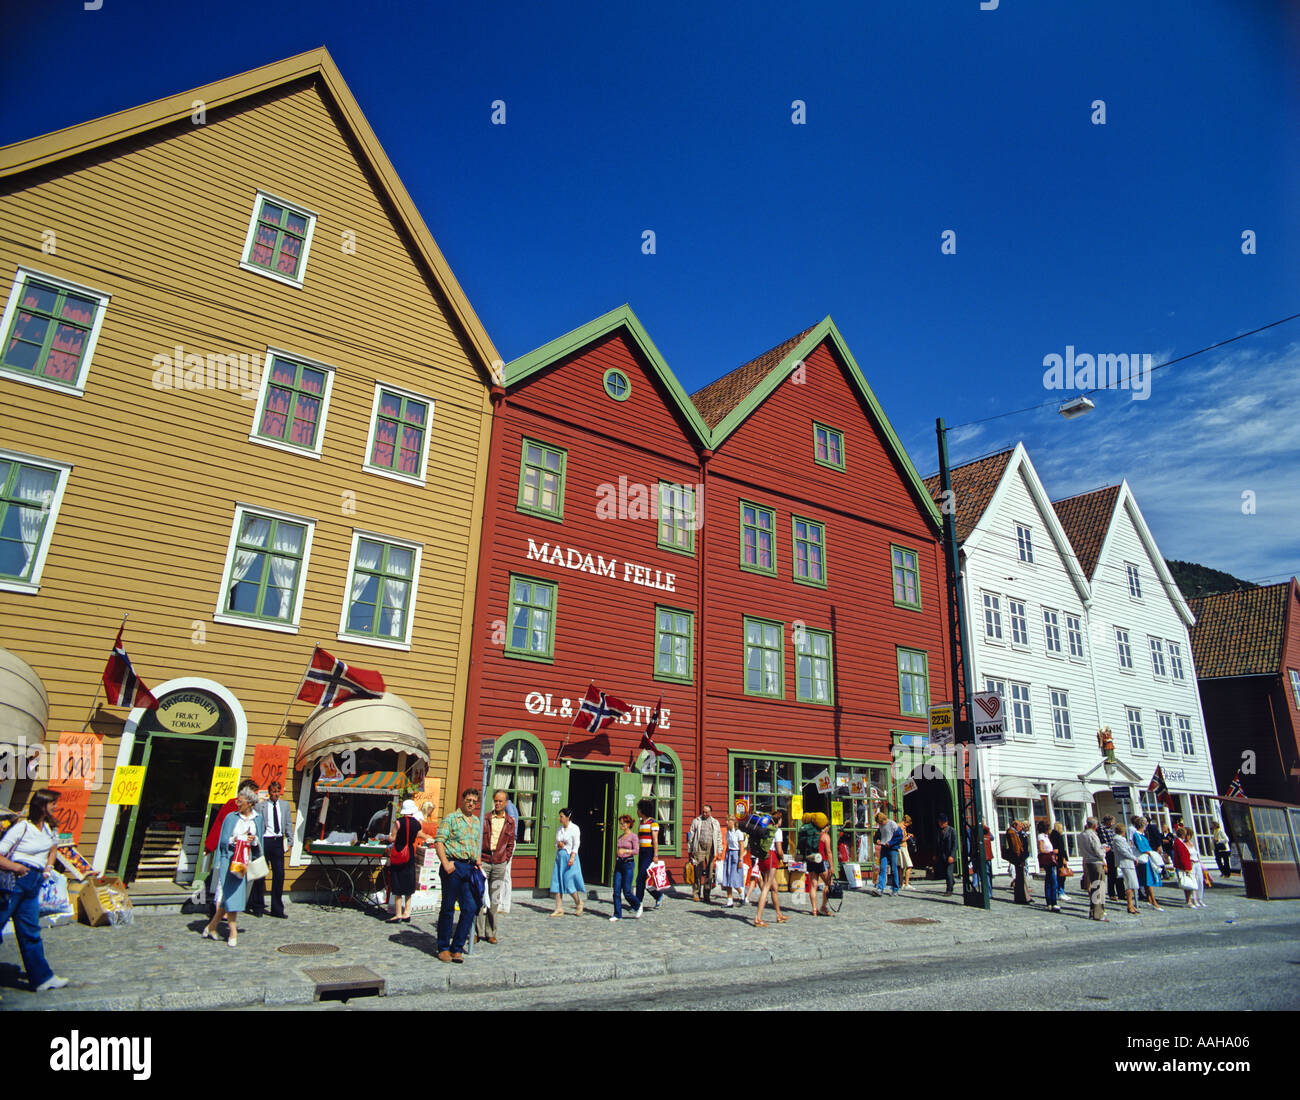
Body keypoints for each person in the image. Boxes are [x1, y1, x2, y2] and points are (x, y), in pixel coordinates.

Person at [0, 789, 69, 990]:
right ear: (42, 805)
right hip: (14, 882)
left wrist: (48, 867)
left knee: (30, 931)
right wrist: (18, 868)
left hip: (34, 882)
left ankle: (42, 978)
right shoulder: (22, 827)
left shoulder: (49, 828)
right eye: (53, 803)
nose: (56, 807)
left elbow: (53, 850)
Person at [202, 786, 265, 946]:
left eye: (240, 801)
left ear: (249, 803)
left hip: (245, 860)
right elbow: (223, 840)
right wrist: (235, 839)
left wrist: (254, 840)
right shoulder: (231, 818)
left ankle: (211, 927)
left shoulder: (257, 819)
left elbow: (259, 842)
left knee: (231, 895)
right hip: (230, 860)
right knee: (232, 894)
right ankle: (233, 932)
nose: (237, 803)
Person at [433, 788, 483, 963]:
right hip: (453, 866)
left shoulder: (476, 821)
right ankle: (443, 947)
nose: (471, 803)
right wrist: (446, 863)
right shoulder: (451, 818)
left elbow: (475, 843)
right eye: (468, 800)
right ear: (462, 800)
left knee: (470, 907)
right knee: (447, 908)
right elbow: (439, 841)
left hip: (469, 869)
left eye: (474, 801)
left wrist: (477, 861)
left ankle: (457, 947)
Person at [476, 789, 516, 941]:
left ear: (506, 803)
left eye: (501, 801)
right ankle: (477, 931)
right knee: (479, 896)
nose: (498, 804)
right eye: (496, 801)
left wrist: (505, 859)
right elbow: (479, 839)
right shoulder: (486, 818)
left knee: (494, 899)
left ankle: (490, 932)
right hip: (485, 860)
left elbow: (510, 844)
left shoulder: (510, 822)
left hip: (499, 863)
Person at [249, 780, 292, 918]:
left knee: (279, 875)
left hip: (278, 841)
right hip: (265, 841)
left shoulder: (284, 805)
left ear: (280, 792)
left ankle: (277, 909)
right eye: (273, 792)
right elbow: (255, 824)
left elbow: (288, 823)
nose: (275, 794)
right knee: (261, 874)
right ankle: (258, 907)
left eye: (277, 791)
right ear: (269, 792)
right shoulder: (261, 806)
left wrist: (290, 840)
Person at [386, 799, 421, 924]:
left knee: (397, 881)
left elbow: (392, 838)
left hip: (400, 852)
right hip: (410, 852)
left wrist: (388, 836)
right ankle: (407, 912)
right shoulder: (417, 824)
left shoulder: (398, 822)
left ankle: (398, 914)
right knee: (408, 881)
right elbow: (418, 833)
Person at [753, 810, 788, 927]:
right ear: (779, 820)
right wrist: (785, 858)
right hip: (771, 857)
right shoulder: (777, 831)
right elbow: (779, 850)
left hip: (763, 857)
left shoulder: (766, 828)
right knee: (767, 887)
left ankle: (779, 914)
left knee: (774, 887)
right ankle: (758, 917)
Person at [549, 807, 586, 916]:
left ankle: (578, 903)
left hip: (570, 857)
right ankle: (559, 908)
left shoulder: (575, 828)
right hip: (560, 857)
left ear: (568, 817)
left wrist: (572, 857)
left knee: (569, 881)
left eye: (561, 816)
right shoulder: (560, 829)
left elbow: (576, 844)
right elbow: (556, 842)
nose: (560, 818)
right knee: (557, 881)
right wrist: (558, 845)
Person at [687, 804, 724, 904]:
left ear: (710, 812)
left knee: (709, 872)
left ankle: (707, 894)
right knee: (697, 871)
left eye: (706, 812)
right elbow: (691, 835)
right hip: (699, 846)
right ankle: (696, 893)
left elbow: (719, 837)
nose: (704, 814)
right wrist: (690, 850)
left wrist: (719, 851)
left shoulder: (715, 822)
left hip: (711, 847)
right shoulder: (696, 821)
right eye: (703, 812)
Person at [634, 798, 663, 916]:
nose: (637, 811)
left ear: (642, 810)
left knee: (640, 878)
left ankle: (638, 903)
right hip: (642, 852)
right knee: (644, 879)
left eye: (638, 809)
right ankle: (658, 895)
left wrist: (655, 855)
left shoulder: (653, 823)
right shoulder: (641, 823)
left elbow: (655, 840)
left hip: (649, 852)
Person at [1130, 816, 1164, 911]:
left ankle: (1150, 900)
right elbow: (1141, 848)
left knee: (1147, 881)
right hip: (1144, 860)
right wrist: (1150, 852)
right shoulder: (1137, 835)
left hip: (1147, 858)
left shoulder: (1142, 835)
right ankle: (1154, 901)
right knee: (1148, 881)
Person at [1078, 817, 1107, 921]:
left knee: (1094, 887)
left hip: (1087, 861)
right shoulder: (1092, 835)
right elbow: (1097, 850)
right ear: (1094, 825)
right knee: (1099, 888)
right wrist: (1104, 851)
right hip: (1096, 862)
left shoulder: (1081, 835)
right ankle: (1098, 913)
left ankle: (1093, 911)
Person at [610, 815, 639, 921]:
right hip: (619, 864)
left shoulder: (633, 837)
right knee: (616, 890)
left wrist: (626, 851)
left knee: (627, 891)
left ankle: (637, 905)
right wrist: (614, 864)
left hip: (628, 864)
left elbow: (636, 851)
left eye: (622, 823)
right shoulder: (620, 837)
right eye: (620, 823)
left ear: (628, 824)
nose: (621, 825)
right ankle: (617, 914)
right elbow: (617, 853)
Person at [1111, 821, 1140, 914]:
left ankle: (1131, 905)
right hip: (1125, 863)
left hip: (1128, 863)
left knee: (1132, 884)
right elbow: (1123, 851)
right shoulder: (1117, 839)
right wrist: (1134, 858)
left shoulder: (1121, 839)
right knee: (1129, 884)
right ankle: (1130, 905)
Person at [871, 811, 901, 897]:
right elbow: (877, 835)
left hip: (892, 849)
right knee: (883, 868)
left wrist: (891, 843)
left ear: (884, 819)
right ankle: (880, 888)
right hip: (884, 847)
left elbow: (899, 836)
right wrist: (877, 840)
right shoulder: (881, 825)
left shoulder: (892, 824)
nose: (881, 824)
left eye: (881, 822)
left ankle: (895, 889)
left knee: (894, 869)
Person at [1172, 825, 1202, 909]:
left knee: (1188, 884)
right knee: (1188, 884)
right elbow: (1182, 856)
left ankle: (1189, 900)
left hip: (1186, 865)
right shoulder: (1179, 843)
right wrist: (1186, 868)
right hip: (1185, 866)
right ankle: (1189, 901)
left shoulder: (1178, 842)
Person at [722, 814, 747, 907]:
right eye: (726, 821)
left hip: (736, 854)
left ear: (733, 822)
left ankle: (741, 894)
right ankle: (729, 901)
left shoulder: (738, 833)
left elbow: (741, 846)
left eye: (728, 821)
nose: (726, 822)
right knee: (727, 877)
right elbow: (728, 844)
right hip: (729, 853)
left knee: (734, 878)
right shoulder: (728, 832)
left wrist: (740, 859)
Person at [1035, 821, 1060, 911]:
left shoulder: (1046, 837)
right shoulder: (1041, 837)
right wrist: (1052, 852)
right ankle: (1053, 901)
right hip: (1047, 860)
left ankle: (1050, 902)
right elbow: (1041, 849)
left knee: (1049, 880)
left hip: (1050, 861)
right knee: (1053, 881)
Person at [1007, 820, 1031, 904]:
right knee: (1019, 879)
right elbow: (1016, 847)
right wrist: (1020, 857)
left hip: (1020, 858)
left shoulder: (1015, 833)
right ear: (1015, 825)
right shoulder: (1012, 833)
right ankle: (1020, 898)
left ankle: (1023, 897)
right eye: (1020, 826)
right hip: (1018, 858)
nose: (1021, 828)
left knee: (1020, 878)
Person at [1098, 815, 1119, 901]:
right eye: (1112, 821)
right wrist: (1111, 846)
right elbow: (1105, 841)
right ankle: (1111, 893)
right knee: (1111, 874)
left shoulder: (1110, 829)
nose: (1113, 823)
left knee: (1116, 874)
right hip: (1108, 852)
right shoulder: (1102, 829)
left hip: (1114, 852)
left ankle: (1118, 891)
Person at [936, 813, 958, 896]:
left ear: (946, 822)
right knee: (945, 873)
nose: (940, 824)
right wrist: (936, 854)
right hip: (943, 856)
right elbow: (938, 844)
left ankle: (949, 890)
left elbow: (955, 844)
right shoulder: (939, 831)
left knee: (949, 873)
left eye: (942, 822)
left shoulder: (952, 830)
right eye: (939, 822)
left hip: (950, 855)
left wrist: (952, 855)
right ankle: (952, 882)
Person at [1050, 820, 1069, 901]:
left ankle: (1060, 892)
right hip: (1059, 858)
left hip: (1057, 857)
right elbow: (1061, 848)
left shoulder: (1052, 835)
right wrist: (1064, 858)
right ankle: (1061, 892)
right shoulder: (1057, 835)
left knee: (1059, 875)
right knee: (1061, 875)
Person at [899, 814, 916, 889]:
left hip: (900, 848)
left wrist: (908, 834)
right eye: (907, 824)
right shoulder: (901, 827)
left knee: (901, 867)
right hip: (903, 847)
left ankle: (901, 883)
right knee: (909, 865)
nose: (907, 826)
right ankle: (906, 884)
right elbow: (901, 839)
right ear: (906, 822)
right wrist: (908, 837)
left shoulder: (898, 826)